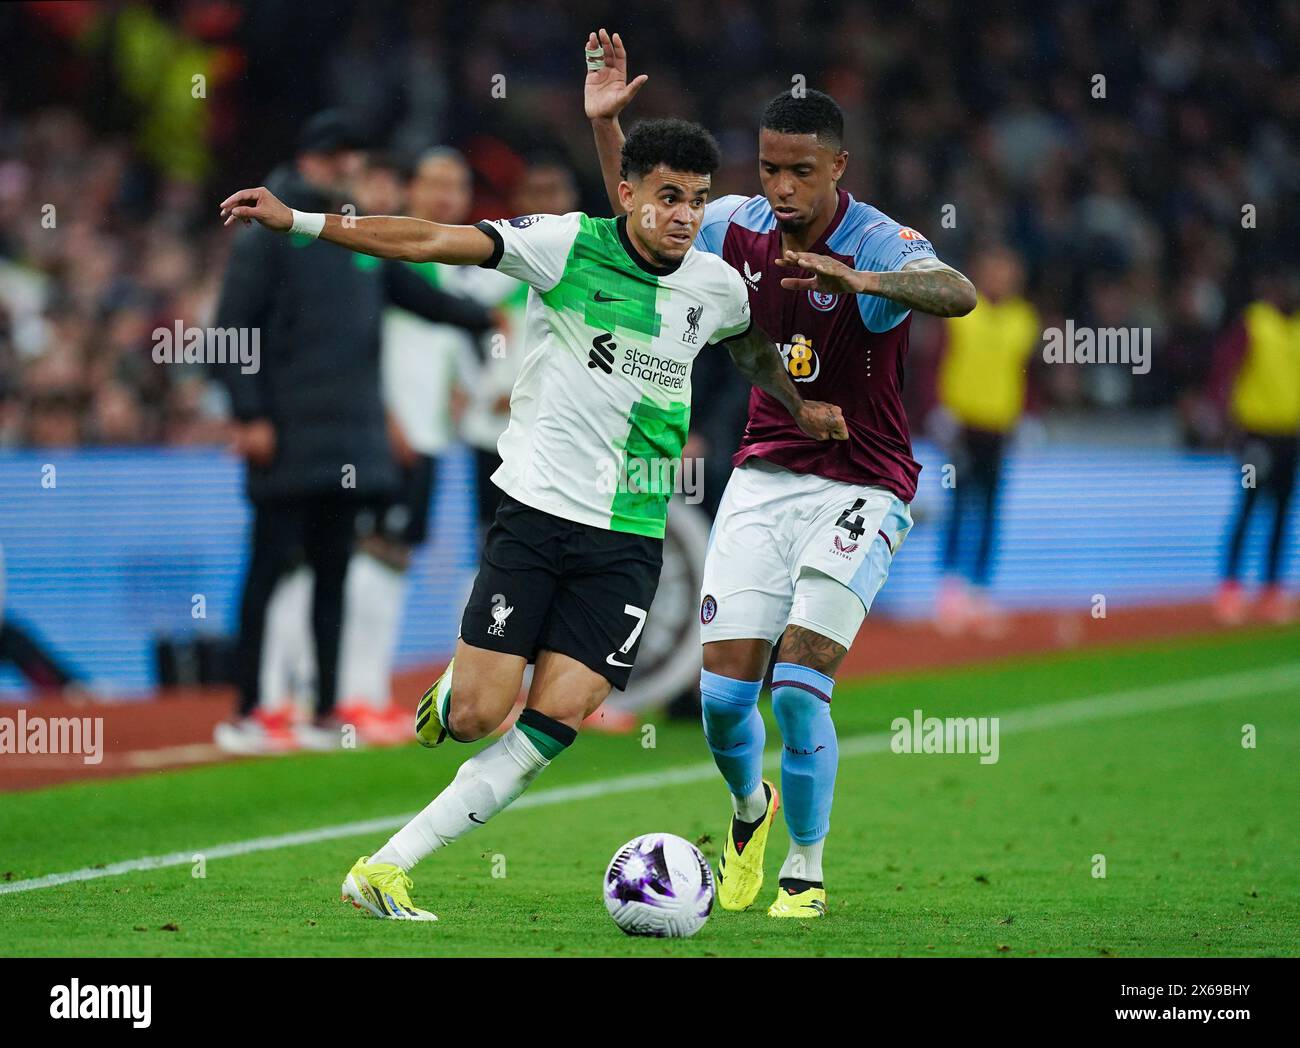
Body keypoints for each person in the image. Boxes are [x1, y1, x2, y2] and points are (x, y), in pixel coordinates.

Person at [221, 116, 848, 920]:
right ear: (627, 193)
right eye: (667, 197)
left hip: (631, 540)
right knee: (480, 715)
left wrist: (799, 403)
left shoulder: (718, 286)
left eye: (696, 200)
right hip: (538, 514)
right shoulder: (563, 245)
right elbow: (427, 240)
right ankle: (455, 696)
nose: (686, 215)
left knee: (558, 718)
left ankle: (386, 866)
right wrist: (305, 222)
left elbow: (751, 348)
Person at [585, 29, 976, 919]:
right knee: (725, 702)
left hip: (863, 484)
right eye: (768, 169)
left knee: (798, 688)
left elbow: (958, 291)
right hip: (763, 477)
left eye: (801, 171)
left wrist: (860, 276)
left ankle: (806, 865)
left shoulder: (880, 239)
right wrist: (610, 128)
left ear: (839, 165)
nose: (782, 189)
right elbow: (648, 217)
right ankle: (749, 809)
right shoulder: (737, 224)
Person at [213, 112, 495, 754]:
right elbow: (229, 329)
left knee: (333, 572)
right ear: (311, 161)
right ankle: (252, 710)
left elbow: (429, 299)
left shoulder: (352, 239)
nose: (350, 169)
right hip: (285, 433)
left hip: (348, 441)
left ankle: (321, 710)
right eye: (340, 157)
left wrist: (494, 311)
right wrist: (249, 412)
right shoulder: (268, 233)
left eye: (354, 158)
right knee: (272, 569)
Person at [933, 246, 1040, 635]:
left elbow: (1028, 373)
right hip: (963, 425)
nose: (1001, 279)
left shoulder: (1024, 320)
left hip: (1000, 428)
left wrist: (1028, 416)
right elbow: (938, 359)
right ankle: (950, 592)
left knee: (992, 510)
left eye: (1008, 272)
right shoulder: (961, 314)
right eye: (995, 271)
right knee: (960, 506)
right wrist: (938, 409)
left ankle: (979, 592)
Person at [1209, 272, 1300, 624]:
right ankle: (1230, 587)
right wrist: (1226, 419)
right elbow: (1224, 371)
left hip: (1289, 438)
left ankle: (1272, 589)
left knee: (1282, 514)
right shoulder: (1254, 324)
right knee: (1247, 507)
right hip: (1256, 437)